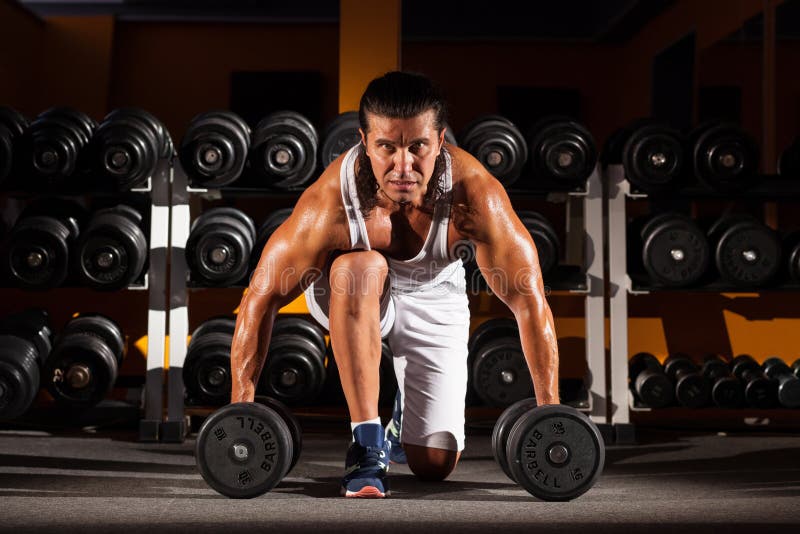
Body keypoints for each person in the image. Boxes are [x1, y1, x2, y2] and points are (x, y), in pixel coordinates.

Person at [230, 71, 559, 499]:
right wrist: (240, 411)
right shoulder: (330, 202)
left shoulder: (475, 196)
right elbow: (261, 297)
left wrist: (551, 414)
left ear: (441, 141)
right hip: (349, 289)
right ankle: (367, 447)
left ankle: (403, 421)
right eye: (387, 147)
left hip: (435, 292)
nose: (402, 166)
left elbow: (529, 301)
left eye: (417, 146)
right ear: (364, 141)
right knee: (359, 267)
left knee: (434, 464)